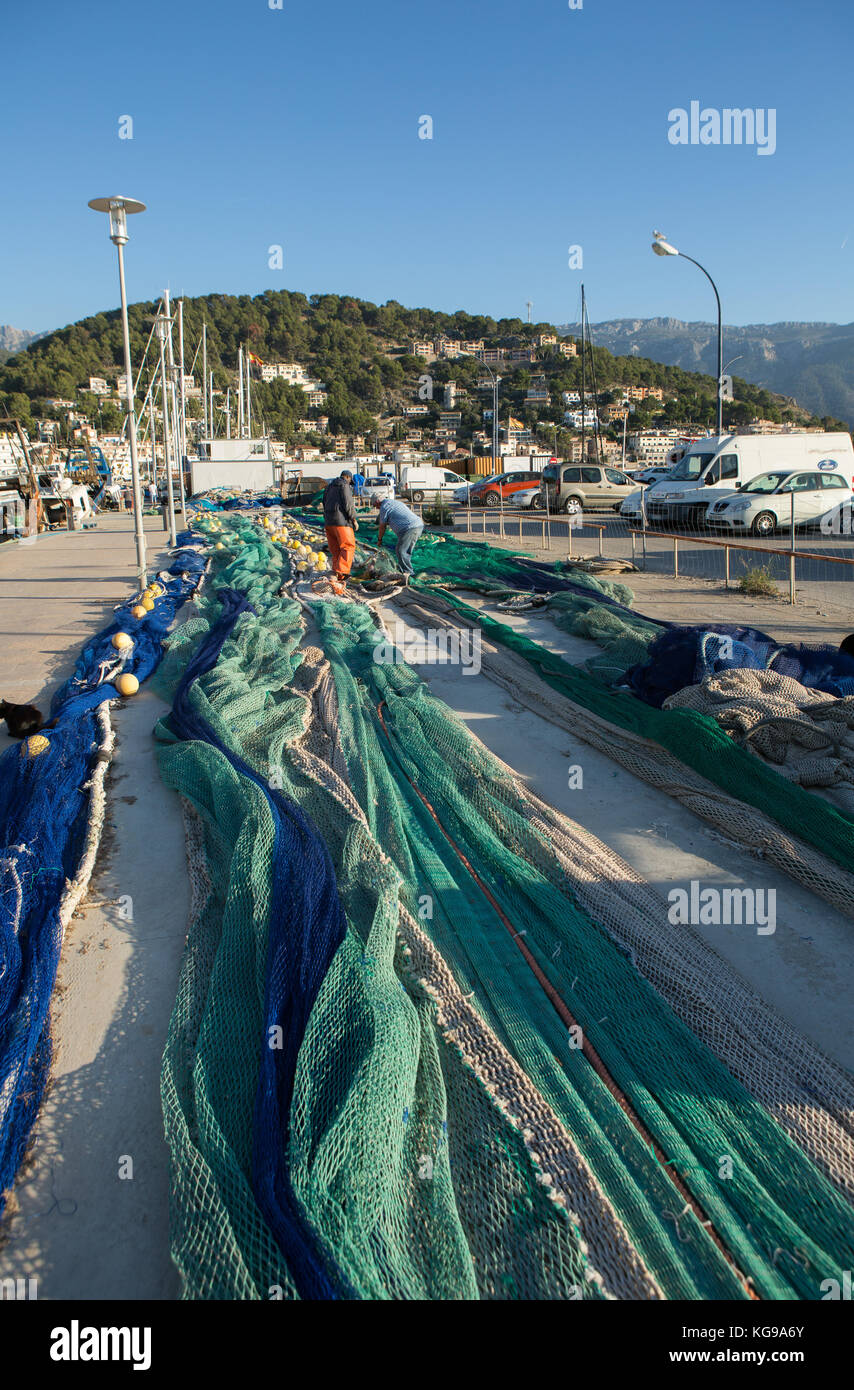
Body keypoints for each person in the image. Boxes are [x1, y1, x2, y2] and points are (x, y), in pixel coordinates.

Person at [372, 495, 423, 582]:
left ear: (377, 502)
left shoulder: (384, 507)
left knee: (401, 551)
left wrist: (379, 540)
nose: (376, 508)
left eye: (374, 506)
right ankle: (404, 570)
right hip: (418, 525)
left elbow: (382, 526)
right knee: (405, 551)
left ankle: (409, 574)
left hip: (410, 528)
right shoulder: (393, 502)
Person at [323, 469, 359, 587]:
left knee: (335, 548)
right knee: (348, 546)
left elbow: (324, 502)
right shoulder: (344, 486)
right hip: (341, 522)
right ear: (348, 478)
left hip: (329, 521)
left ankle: (335, 572)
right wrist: (353, 519)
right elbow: (348, 504)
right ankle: (341, 572)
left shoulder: (329, 487)